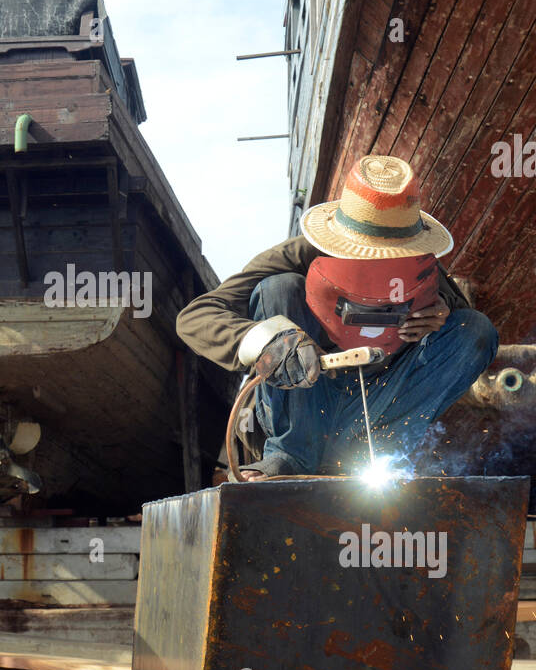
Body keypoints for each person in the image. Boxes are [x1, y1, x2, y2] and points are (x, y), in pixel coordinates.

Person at [177, 155, 498, 479]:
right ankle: (290, 455)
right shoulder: (297, 256)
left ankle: (379, 455)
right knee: (280, 288)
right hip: (305, 398)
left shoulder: (418, 266)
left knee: (474, 329)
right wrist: (268, 341)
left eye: (389, 256)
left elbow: (467, 340)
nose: (379, 264)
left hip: (374, 409)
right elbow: (195, 317)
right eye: (367, 253)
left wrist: (440, 313)